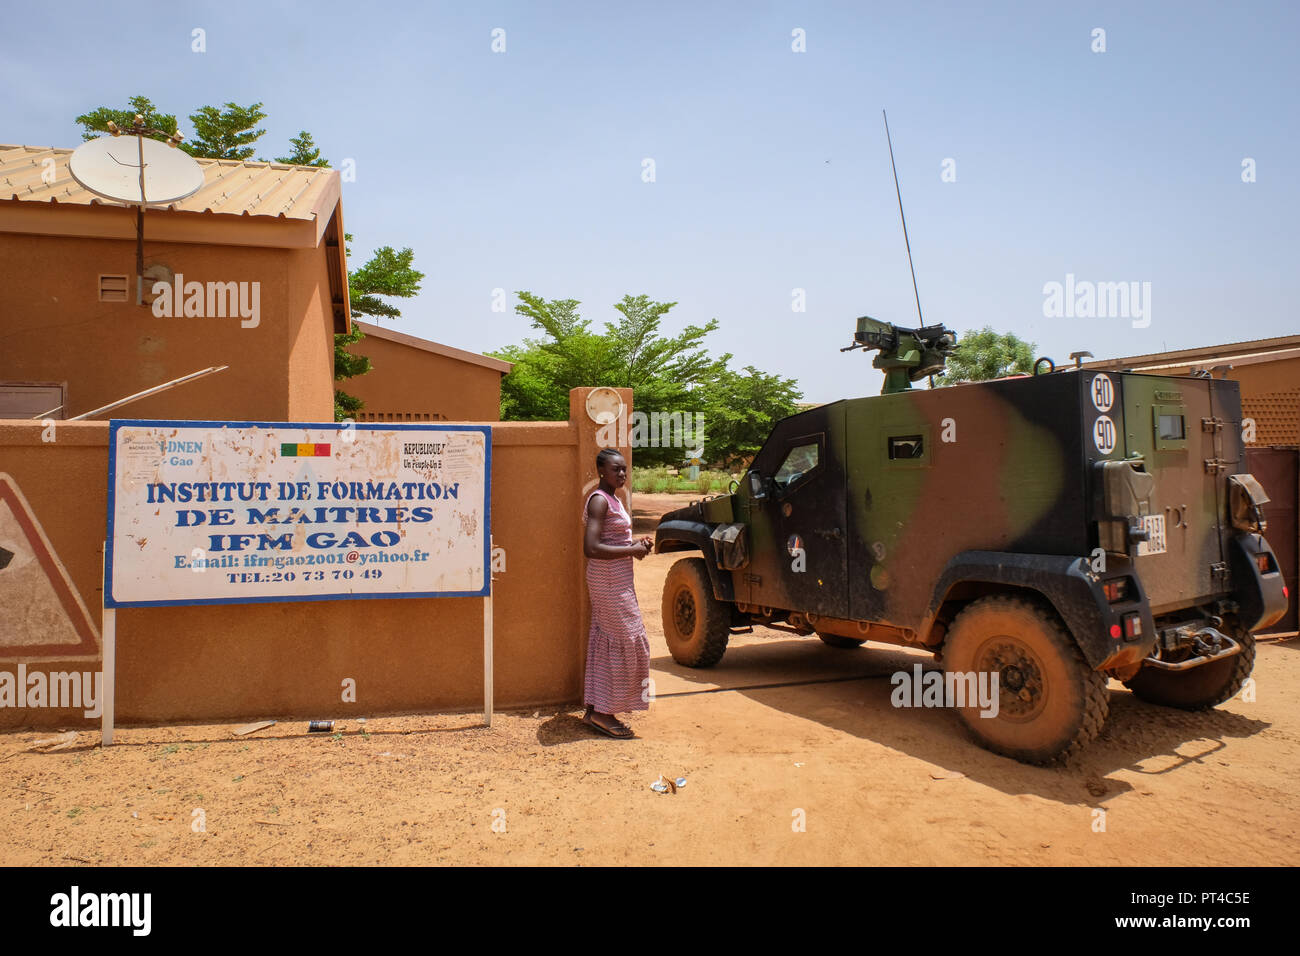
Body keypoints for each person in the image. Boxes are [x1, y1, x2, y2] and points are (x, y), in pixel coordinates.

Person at [581, 447, 654, 738]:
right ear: (601, 471)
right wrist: (631, 550)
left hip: (617, 578)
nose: (622, 474)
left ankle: (597, 708)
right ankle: (603, 712)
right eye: (616, 469)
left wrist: (636, 544)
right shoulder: (599, 501)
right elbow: (591, 548)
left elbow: (615, 538)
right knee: (628, 639)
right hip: (608, 581)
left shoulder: (615, 498)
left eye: (624, 469)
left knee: (606, 640)